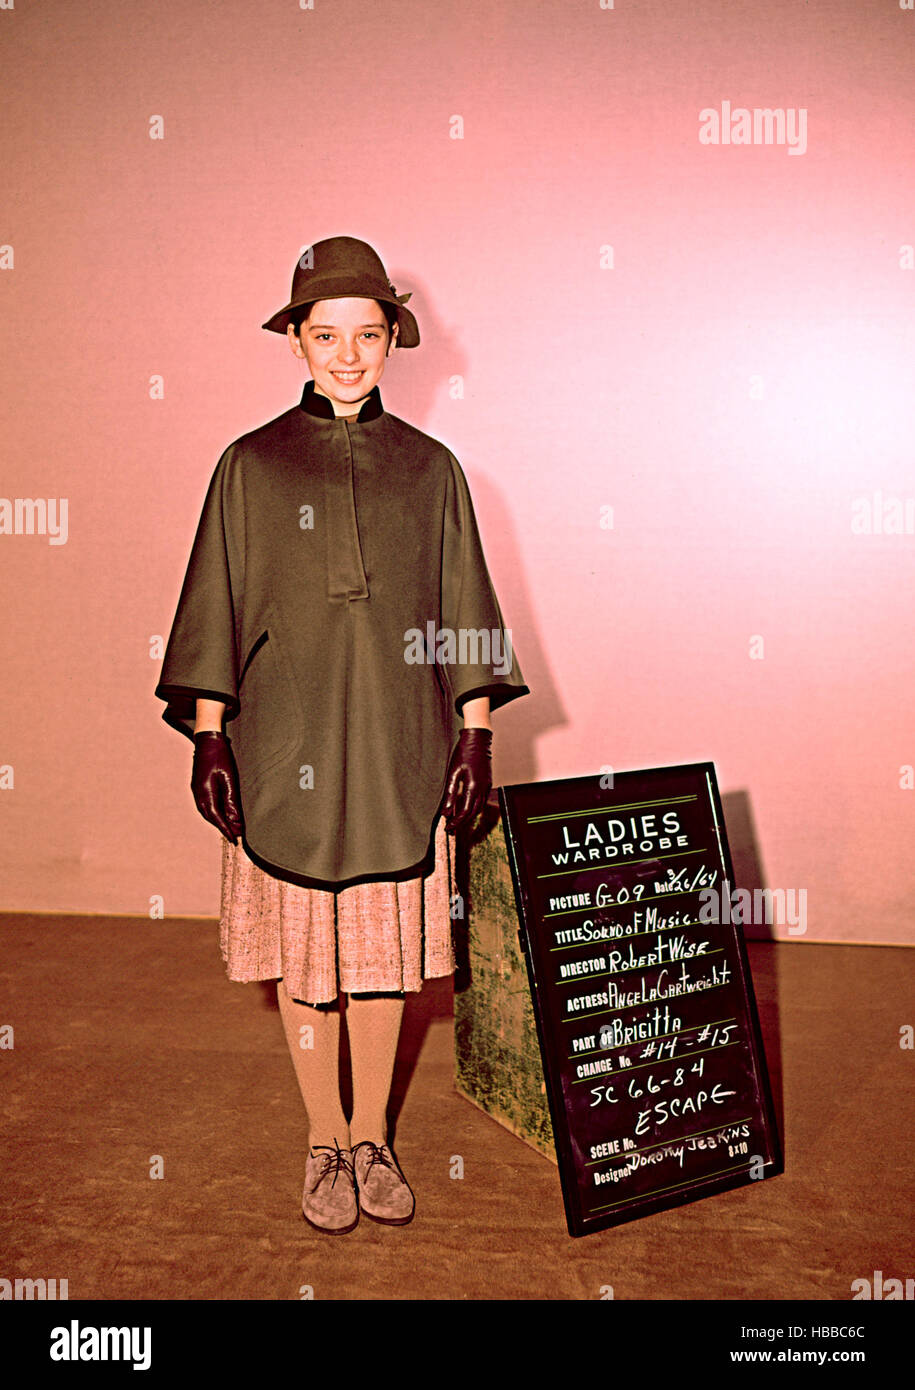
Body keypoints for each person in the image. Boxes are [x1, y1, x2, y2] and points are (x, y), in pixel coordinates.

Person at [155, 236, 529, 1234]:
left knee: (377, 959)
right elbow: (214, 608)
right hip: (285, 754)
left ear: (394, 340)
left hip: (398, 755)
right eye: (327, 335)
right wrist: (210, 735)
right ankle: (322, 1137)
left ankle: (372, 1135)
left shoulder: (432, 471)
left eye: (367, 336)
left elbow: (466, 610)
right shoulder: (249, 466)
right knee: (305, 962)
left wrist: (476, 736)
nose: (348, 356)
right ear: (296, 342)